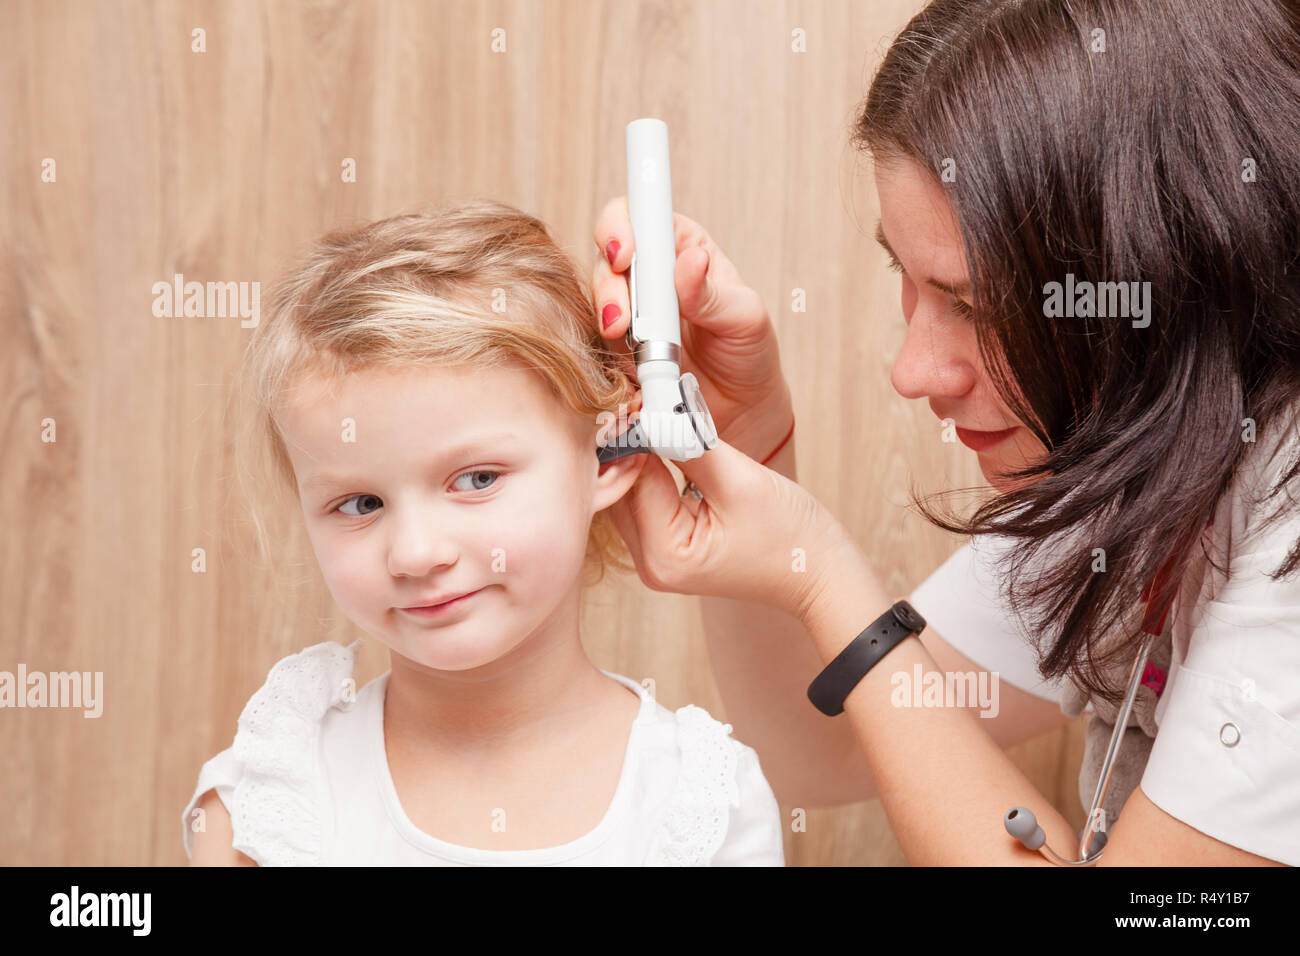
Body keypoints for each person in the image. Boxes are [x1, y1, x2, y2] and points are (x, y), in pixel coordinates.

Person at [588, 0, 1300, 865]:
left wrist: (830, 582)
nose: (912, 372)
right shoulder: (1121, 447)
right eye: (907, 276)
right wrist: (751, 435)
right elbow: (819, 745)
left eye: (971, 304)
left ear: (1176, 273)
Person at [182, 201, 784, 866]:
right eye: (360, 503)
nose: (415, 553)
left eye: (475, 480)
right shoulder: (267, 806)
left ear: (612, 450)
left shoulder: (698, 808)